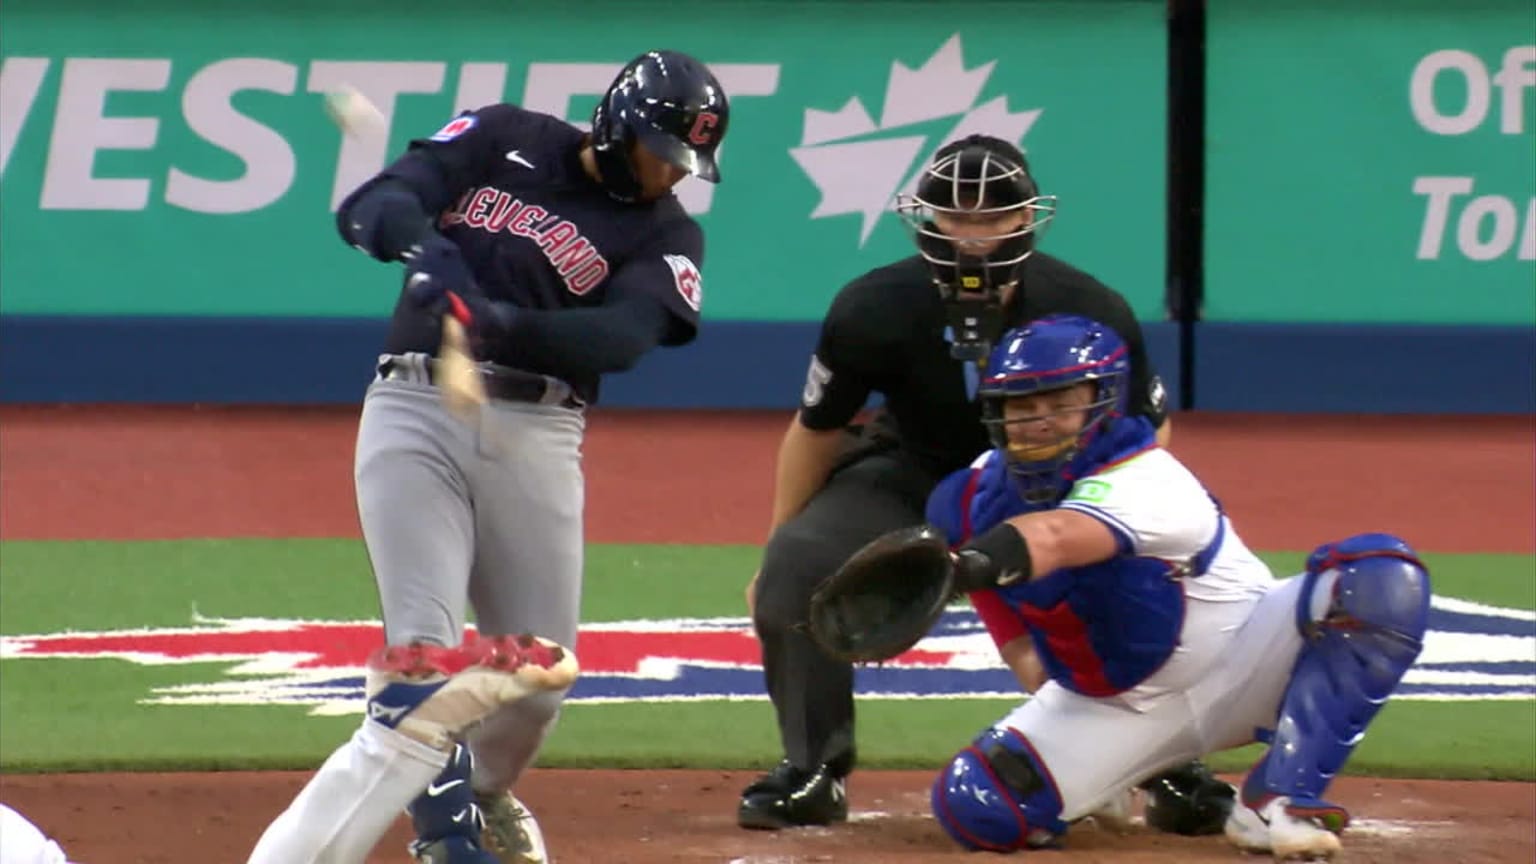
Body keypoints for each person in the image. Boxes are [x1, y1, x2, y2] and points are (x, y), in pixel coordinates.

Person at [246, 49, 730, 864]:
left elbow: (624, 336)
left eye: (683, 163)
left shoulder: (668, 230)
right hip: (413, 408)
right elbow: (376, 204)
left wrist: (495, 318)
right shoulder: (505, 136)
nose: (668, 176)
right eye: (660, 153)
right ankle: (444, 833)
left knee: (540, 681)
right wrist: (423, 253)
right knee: (424, 667)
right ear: (616, 127)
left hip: (537, 434)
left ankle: (477, 794)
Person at [738, 134, 1231, 833]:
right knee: (799, 562)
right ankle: (813, 768)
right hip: (914, 472)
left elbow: (1147, 432)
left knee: (1138, 574)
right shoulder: (873, 306)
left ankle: (1169, 766)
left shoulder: (1091, 307)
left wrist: (1112, 517)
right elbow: (817, 429)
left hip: (1050, 488)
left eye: (992, 214)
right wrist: (776, 544)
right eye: (957, 214)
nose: (973, 233)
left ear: (1026, 218)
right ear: (928, 219)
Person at [920, 314, 1429, 859]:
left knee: (1378, 579)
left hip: (1245, 663)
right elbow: (1016, 631)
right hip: (1116, 707)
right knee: (977, 807)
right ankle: (1135, 773)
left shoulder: (1148, 479)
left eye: (1062, 401)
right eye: (1023, 405)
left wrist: (959, 566)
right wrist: (1062, 712)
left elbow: (1054, 537)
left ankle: (1278, 798)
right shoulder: (968, 500)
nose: (1041, 420)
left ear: (1103, 402)